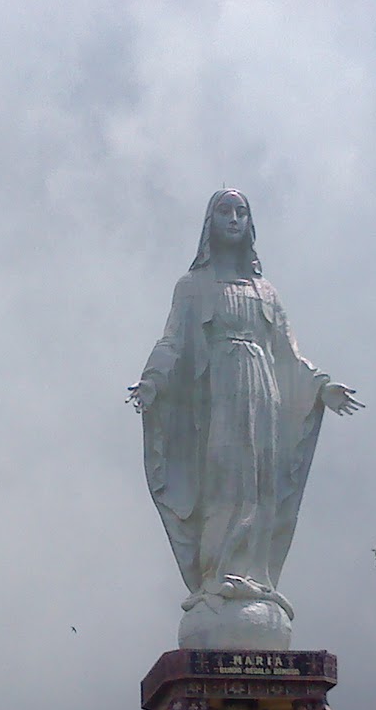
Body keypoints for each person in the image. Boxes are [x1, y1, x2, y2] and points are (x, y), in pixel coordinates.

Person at [129, 190, 361, 642]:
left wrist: (322, 386)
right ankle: (217, 578)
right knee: (223, 481)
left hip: (263, 394)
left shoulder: (265, 292)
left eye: (241, 212)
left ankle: (255, 577)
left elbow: (289, 355)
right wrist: (151, 381)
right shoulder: (192, 286)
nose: (233, 219)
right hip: (216, 396)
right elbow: (172, 342)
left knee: (259, 483)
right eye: (224, 211)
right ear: (210, 223)